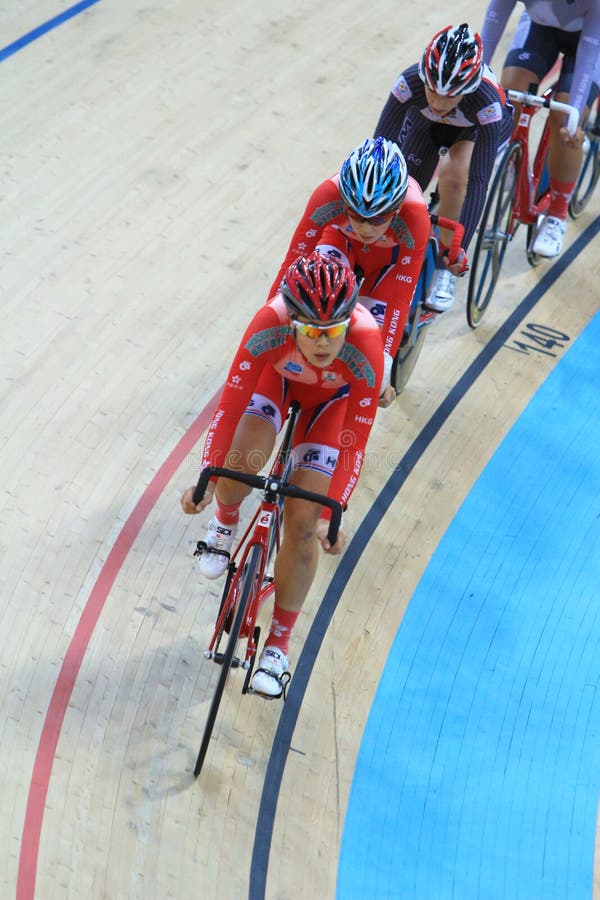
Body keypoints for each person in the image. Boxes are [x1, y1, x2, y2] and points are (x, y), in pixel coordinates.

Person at [180, 252, 384, 698]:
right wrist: (207, 479)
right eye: (310, 331)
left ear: (349, 322)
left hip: (330, 407)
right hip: (278, 382)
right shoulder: (269, 322)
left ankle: (278, 644)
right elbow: (231, 405)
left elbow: (356, 438)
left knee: (304, 524)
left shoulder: (367, 342)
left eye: (333, 331)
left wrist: (334, 512)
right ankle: (224, 523)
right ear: (292, 322)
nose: (322, 343)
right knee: (242, 459)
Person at [266, 136, 432, 407]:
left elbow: (401, 295)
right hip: (340, 243)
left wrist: (384, 363)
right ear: (343, 200)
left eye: (378, 219)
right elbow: (293, 264)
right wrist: (271, 322)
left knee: (367, 344)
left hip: (387, 265)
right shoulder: (327, 195)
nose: (365, 228)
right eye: (355, 215)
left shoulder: (415, 216)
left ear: (397, 209)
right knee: (313, 300)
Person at [374, 23, 514, 312]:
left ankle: (442, 267)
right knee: (403, 181)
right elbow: (378, 152)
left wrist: (459, 248)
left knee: (455, 175)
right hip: (426, 125)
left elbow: (479, 182)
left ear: (468, 89)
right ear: (423, 79)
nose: (438, 102)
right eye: (432, 90)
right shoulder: (409, 83)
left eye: (450, 95)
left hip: (475, 129)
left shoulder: (486, 101)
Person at [480, 0, 600, 257]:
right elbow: (494, 20)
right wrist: (476, 76)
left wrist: (574, 114)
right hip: (540, 27)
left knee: (565, 119)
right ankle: (511, 164)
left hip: (593, 39)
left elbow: (589, 54)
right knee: (509, 93)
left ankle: (556, 215)